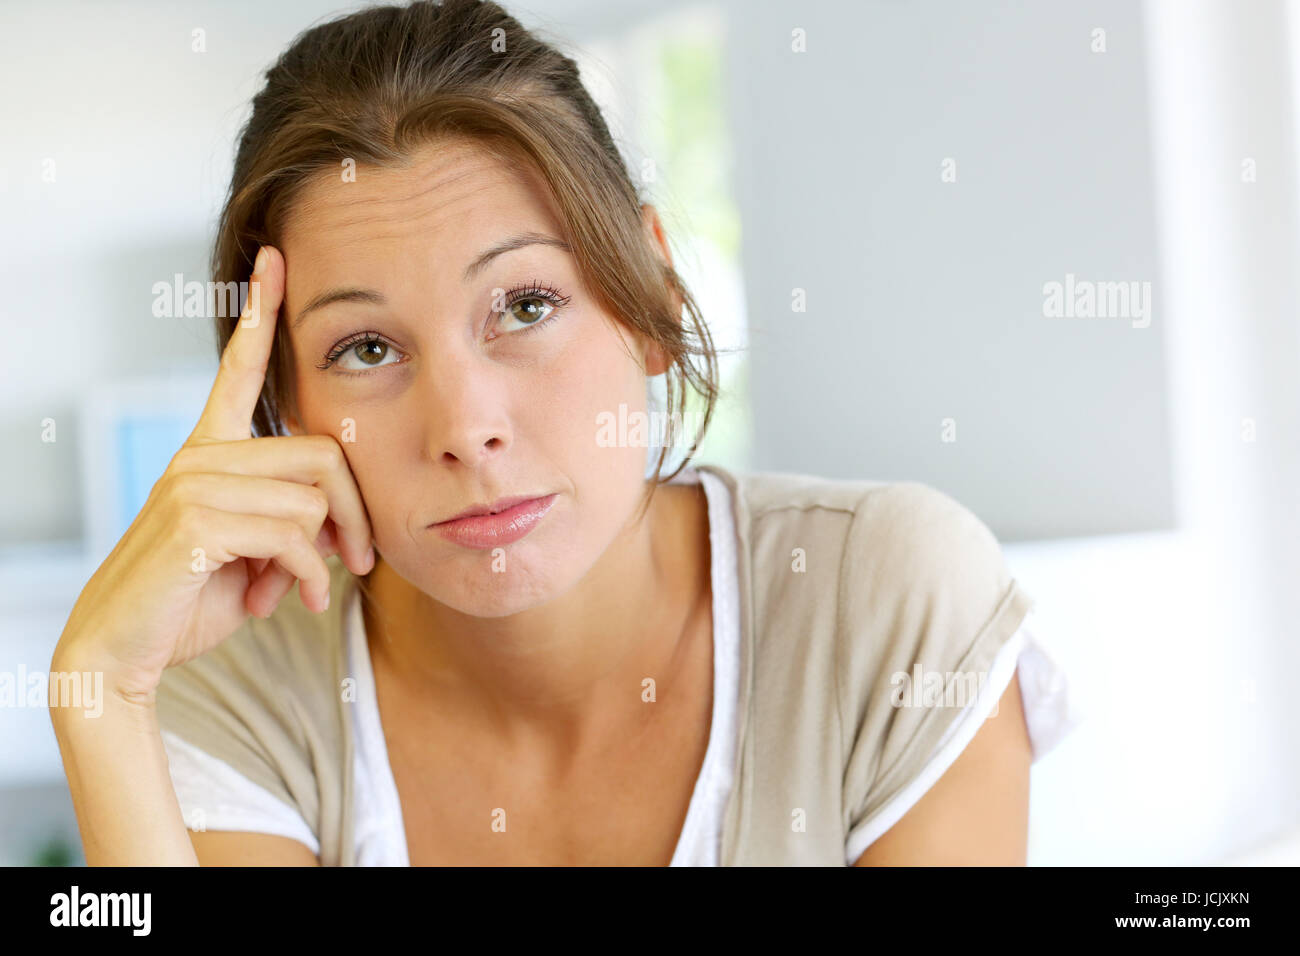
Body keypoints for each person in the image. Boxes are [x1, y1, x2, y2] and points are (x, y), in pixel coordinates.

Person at [49, 0, 1074, 866]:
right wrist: (98, 691)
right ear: (287, 407)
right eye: (366, 348)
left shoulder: (885, 601)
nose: (466, 427)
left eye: (526, 305)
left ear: (651, 298)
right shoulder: (247, 689)